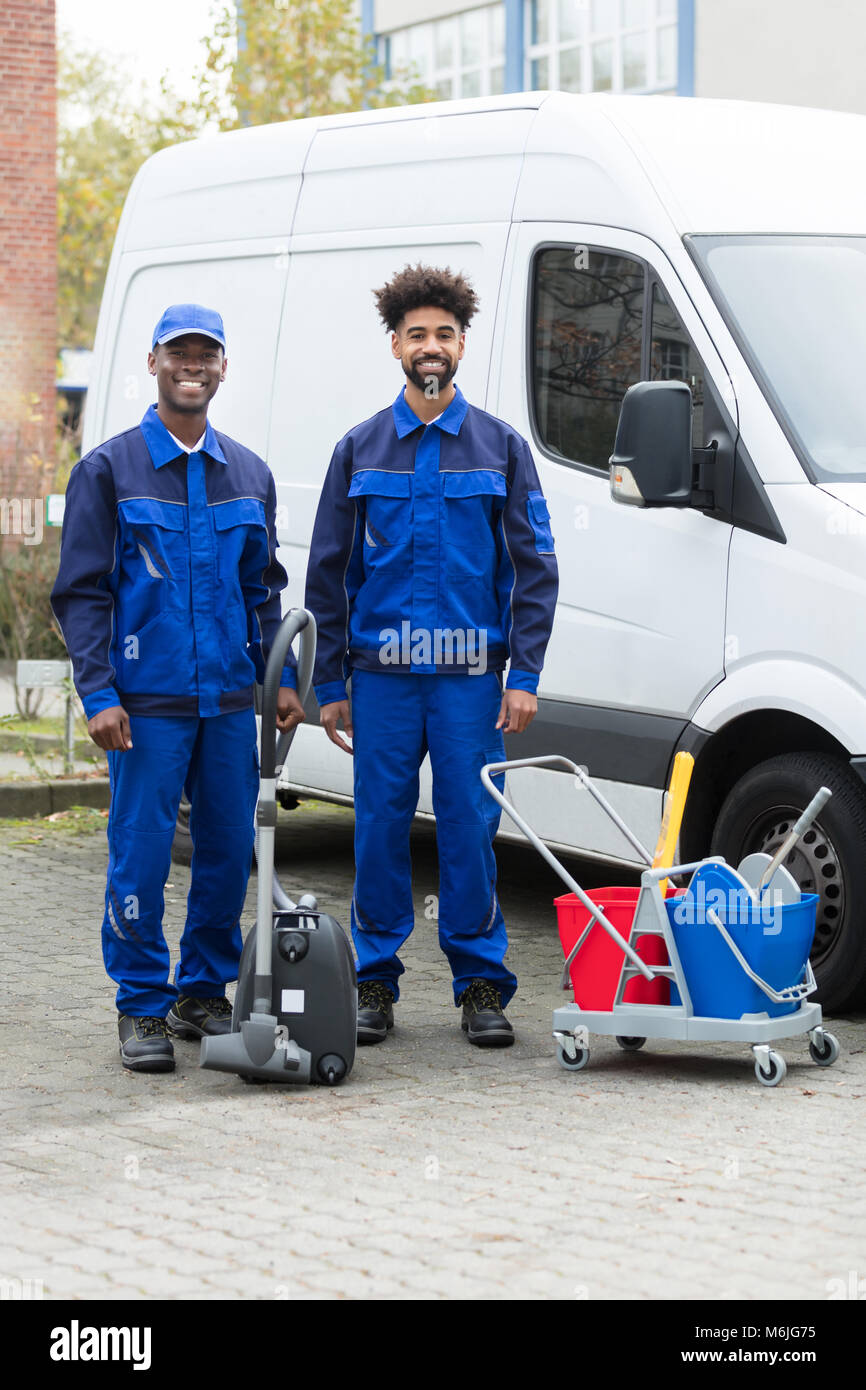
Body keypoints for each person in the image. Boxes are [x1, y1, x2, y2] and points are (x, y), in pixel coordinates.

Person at [305, 265, 558, 1049]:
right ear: (395, 347)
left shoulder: (501, 449)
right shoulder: (359, 449)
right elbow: (328, 573)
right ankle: (374, 983)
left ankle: (480, 980)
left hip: (467, 685)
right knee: (378, 829)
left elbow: (534, 568)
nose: (431, 347)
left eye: (444, 334)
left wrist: (524, 675)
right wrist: (330, 681)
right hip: (381, 681)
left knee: (469, 827)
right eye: (417, 334)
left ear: (460, 346)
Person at [51, 303, 305, 1074]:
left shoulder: (249, 474)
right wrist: (98, 693)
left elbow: (264, 589)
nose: (193, 365)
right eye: (179, 353)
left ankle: (200, 991)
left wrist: (284, 678)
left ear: (223, 368)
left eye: (207, 354)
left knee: (228, 853)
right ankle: (140, 1004)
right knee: (141, 854)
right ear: (155, 362)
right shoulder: (109, 470)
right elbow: (82, 593)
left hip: (230, 701)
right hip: (147, 706)